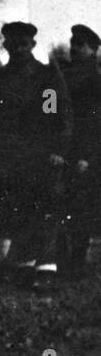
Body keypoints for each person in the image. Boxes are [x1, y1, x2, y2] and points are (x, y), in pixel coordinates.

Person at [0, 21, 72, 274]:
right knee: (12, 208)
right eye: (13, 44)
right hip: (7, 156)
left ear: (32, 45)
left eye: (24, 44)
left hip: (39, 154)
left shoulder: (46, 77)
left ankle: (44, 266)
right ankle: (19, 263)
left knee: (40, 208)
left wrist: (58, 149)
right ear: (6, 45)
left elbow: (57, 115)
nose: (19, 49)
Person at [60, 23, 101, 278]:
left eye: (81, 45)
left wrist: (88, 156)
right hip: (61, 149)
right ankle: (60, 258)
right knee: (60, 203)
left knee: (81, 206)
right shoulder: (62, 77)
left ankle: (76, 262)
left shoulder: (97, 82)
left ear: (94, 50)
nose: (74, 49)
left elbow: (97, 124)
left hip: (84, 153)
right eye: (73, 43)